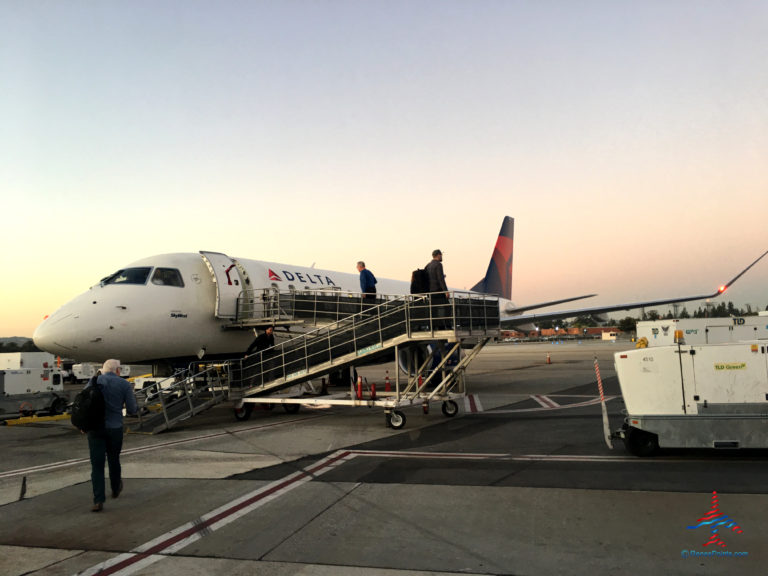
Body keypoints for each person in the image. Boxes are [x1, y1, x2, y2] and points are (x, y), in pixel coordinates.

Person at [87, 359, 138, 512]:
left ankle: (98, 500)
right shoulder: (124, 384)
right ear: (118, 370)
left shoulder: (94, 381)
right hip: (115, 428)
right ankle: (115, 488)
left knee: (97, 466)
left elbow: (84, 402)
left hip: (95, 429)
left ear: (103, 369)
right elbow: (132, 409)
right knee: (114, 459)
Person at [425, 249, 450, 328]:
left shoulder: (428, 265)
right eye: (441, 255)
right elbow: (440, 279)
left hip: (431, 292)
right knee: (448, 307)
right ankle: (447, 325)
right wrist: (446, 291)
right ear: (438, 255)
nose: (442, 256)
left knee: (434, 310)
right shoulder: (438, 264)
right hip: (438, 291)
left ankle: (433, 326)